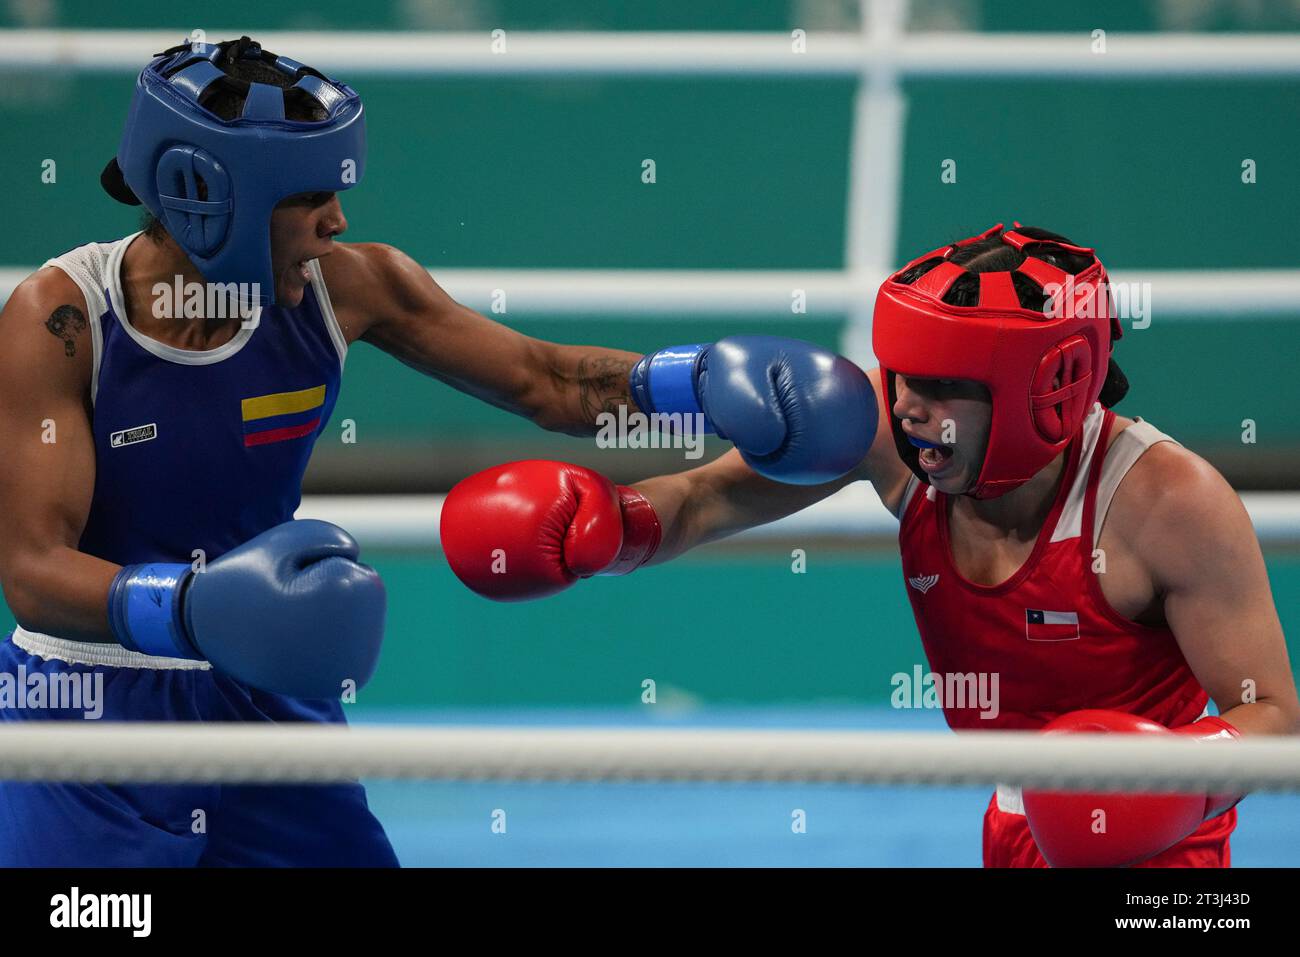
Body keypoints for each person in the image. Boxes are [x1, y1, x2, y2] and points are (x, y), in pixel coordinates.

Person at [0, 36, 874, 866]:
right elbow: (33, 569)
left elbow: (552, 384)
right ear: (207, 195)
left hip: (259, 679)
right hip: (90, 699)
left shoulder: (352, 288)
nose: (337, 222)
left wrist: (694, 389)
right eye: (308, 200)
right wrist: (192, 605)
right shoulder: (63, 323)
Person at [440, 223, 1300, 867]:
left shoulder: (1165, 502)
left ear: (1050, 389)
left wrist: (1169, 773)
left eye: (945, 386)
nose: (912, 408)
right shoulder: (897, 436)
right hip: (1010, 819)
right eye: (906, 376)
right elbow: (705, 499)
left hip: (1162, 853)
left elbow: (1277, 718)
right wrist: (615, 527)